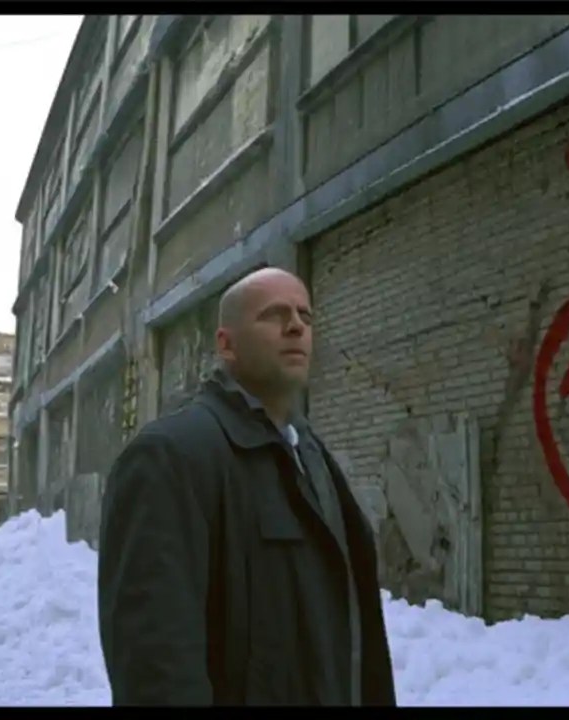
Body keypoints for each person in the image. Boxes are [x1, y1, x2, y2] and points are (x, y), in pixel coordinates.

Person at [97, 266, 397, 706]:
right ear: (226, 344)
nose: (296, 325)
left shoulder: (311, 456)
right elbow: (156, 664)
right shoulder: (171, 457)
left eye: (305, 316)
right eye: (274, 315)